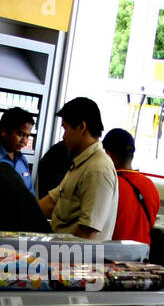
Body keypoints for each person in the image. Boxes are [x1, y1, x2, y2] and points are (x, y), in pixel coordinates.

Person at [38, 97, 117, 241]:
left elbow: (87, 233)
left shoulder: (98, 169)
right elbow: (51, 202)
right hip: (59, 254)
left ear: (82, 127)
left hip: (73, 259)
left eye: (66, 128)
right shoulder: (81, 163)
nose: (64, 136)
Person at [102, 128, 159, 245]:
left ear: (107, 154)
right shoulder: (150, 186)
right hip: (141, 259)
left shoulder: (109, 185)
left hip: (111, 257)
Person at [0, 108, 35, 193]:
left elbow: (30, 195)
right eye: (20, 134)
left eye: (27, 136)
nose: (25, 141)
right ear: (4, 131)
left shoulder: (22, 161)